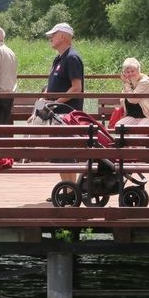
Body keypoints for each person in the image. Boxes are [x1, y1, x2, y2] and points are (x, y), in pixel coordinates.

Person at [44, 22, 85, 186]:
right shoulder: (59, 58)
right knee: (58, 153)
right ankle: (67, 188)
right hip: (57, 113)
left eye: (53, 35)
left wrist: (54, 103)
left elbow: (76, 88)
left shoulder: (72, 58)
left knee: (66, 152)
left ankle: (71, 189)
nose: (50, 38)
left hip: (67, 114)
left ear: (62, 36)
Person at [117, 58, 149, 125]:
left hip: (148, 116)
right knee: (119, 127)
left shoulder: (144, 82)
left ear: (138, 71)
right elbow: (122, 100)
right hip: (132, 116)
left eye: (132, 71)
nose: (130, 74)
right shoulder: (129, 83)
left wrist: (127, 84)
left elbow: (133, 99)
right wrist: (128, 84)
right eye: (127, 72)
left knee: (138, 133)